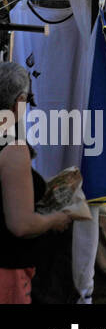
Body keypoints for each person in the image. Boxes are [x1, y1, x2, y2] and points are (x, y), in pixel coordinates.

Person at [0, 62, 75, 305]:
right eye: (29, 98)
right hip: (7, 271)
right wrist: (57, 219)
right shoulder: (12, 147)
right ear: (19, 100)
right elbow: (20, 225)